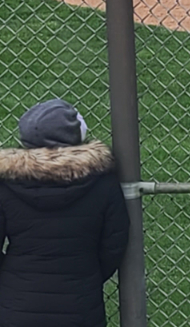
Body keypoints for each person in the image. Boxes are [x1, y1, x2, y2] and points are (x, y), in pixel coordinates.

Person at [0, 99, 130, 327]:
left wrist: (12, 275)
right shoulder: (102, 182)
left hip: (17, 304)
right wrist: (89, 274)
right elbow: (114, 243)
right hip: (80, 302)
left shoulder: (7, 184)